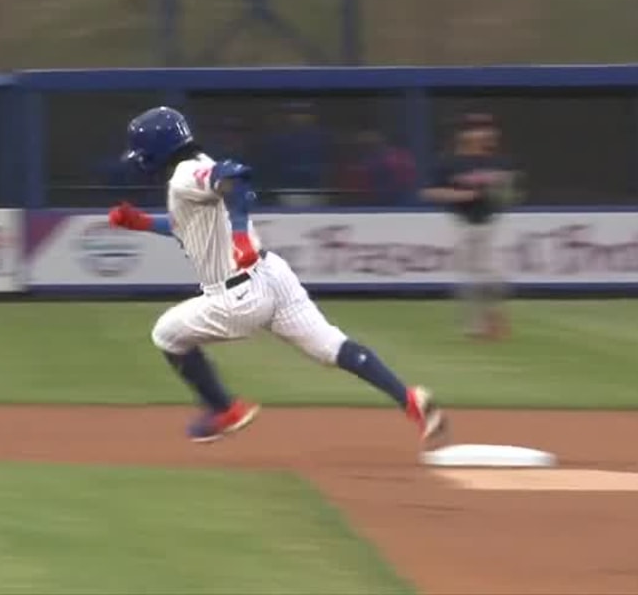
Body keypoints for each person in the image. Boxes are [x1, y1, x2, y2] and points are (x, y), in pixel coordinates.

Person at [107, 106, 448, 445]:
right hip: (272, 275)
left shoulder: (185, 176)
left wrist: (241, 236)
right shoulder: (193, 169)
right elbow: (193, 226)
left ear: (154, 150)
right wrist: (142, 223)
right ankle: (410, 400)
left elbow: (235, 178)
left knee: (167, 334)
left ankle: (225, 409)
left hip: (237, 296)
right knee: (330, 346)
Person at [421, 112, 521, 339]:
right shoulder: (449, 162)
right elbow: (430, 191)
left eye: (487, 129)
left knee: (491, 274)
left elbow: (512, 191)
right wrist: (461, 195)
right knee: (473, 276)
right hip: (462, 223)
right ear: (464, 134)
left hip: (494, 223)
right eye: (477, 129)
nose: (485, 134)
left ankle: (491, 316)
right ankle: (478, 324)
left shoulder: (500, 162)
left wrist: (505, 193)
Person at [339, 130, 417, 205]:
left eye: (371, 145)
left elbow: (405, 179)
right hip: (364, 201)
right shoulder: (358, 162)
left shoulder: (398, 158)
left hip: (396, 200)